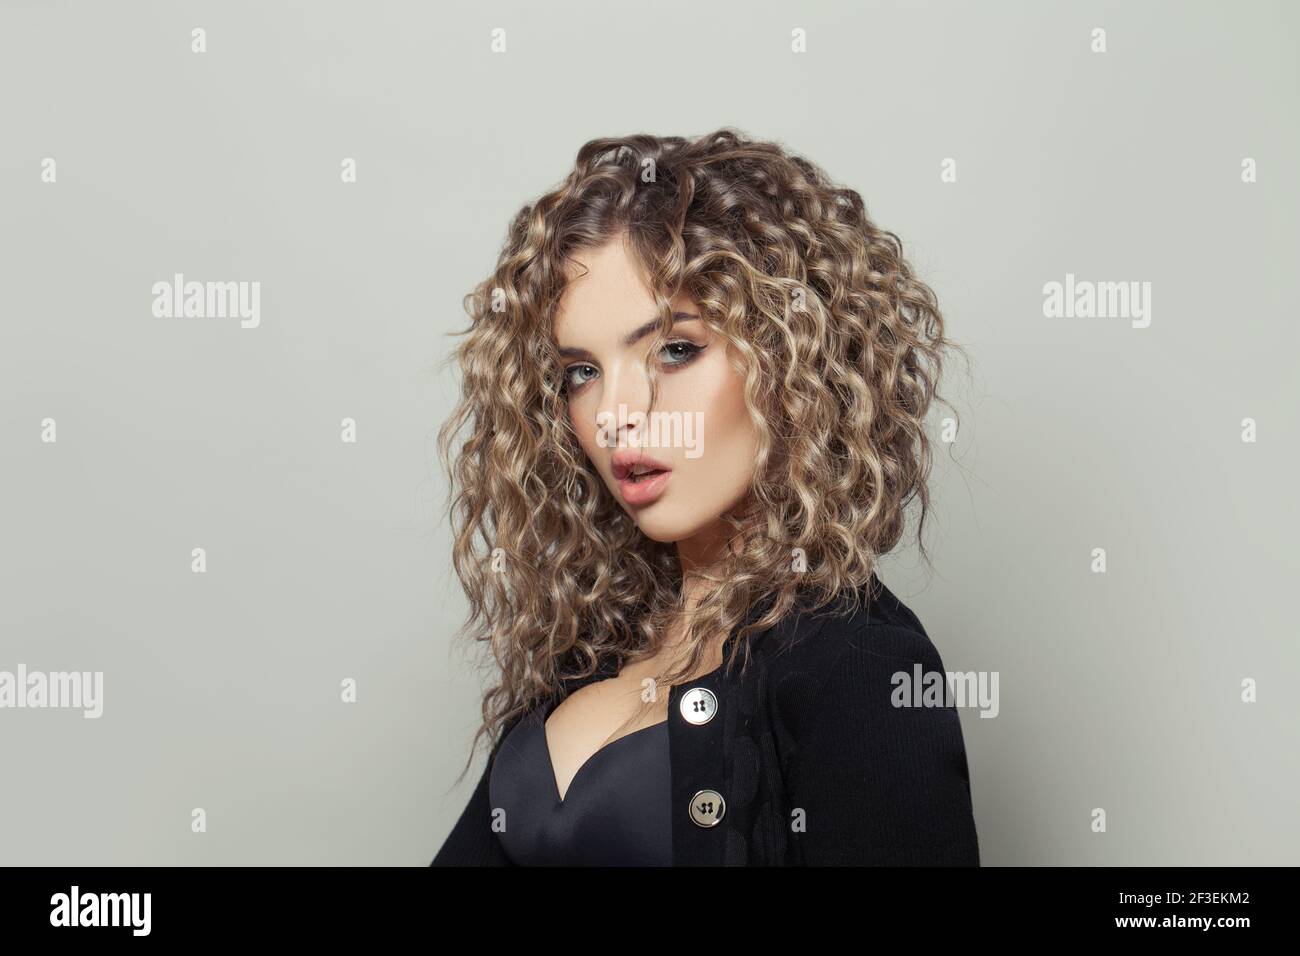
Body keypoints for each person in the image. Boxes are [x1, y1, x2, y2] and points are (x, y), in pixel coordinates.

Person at [431, 128, 979, 866]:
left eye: (675, 350)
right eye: (580, 372)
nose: (614, 412)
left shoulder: (858, 668)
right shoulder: (585, 657)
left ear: (792, 359)